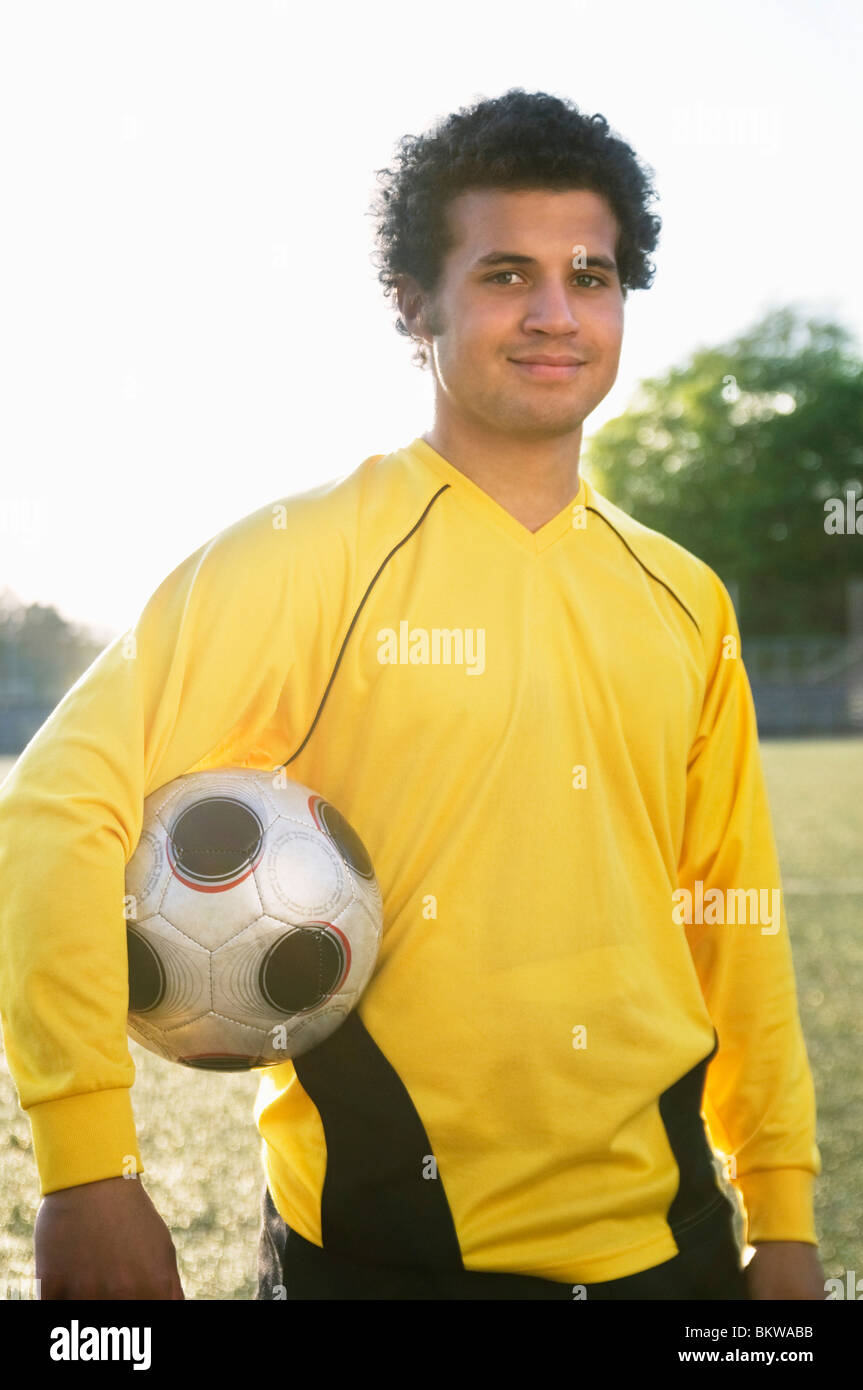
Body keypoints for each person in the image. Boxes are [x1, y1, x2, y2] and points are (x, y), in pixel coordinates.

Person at [0, 89, 824, 1301]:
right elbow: (60, 804)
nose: (554, 314)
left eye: (589, 275)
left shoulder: (683, 595)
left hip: (674, 1250)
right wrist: (87, 1166)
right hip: (391, 1256)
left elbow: (731, 917)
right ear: (414, 303)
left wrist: (784, 1217)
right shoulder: (305, 556)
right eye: (503, 275)